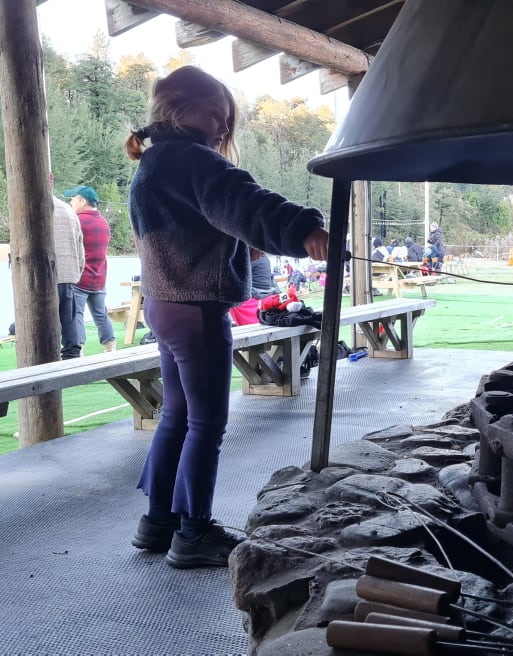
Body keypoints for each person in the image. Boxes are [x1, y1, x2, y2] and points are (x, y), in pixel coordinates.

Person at [124, 65, 329, 569]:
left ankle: (158, 521)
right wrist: (305, 230)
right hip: (195, 308)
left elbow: (205, 223)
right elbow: (245, 202)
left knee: (177, 416)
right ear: (180, 109)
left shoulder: (154, 162)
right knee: (207, 423)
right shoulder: (193, 159)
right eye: (215, 115)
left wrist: (241, 246)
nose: (222, 127)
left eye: (226, 119)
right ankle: (193, 533)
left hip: (164, 305)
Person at [63, 185, 117, 353]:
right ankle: (110, 349)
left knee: (76, 315)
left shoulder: (76, 221)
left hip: (80, 278)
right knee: (100, 314)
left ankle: (78, 351)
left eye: (73, 199)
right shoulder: (104, 222)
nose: (71, 202)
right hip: (99, 278)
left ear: (83, 201)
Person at [53, 194, 86, 360]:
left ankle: (45, 358)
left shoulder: (31, 205)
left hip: (40, 276)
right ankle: (72, 354)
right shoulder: (68, 210)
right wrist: (77, 271)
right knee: (68, 318)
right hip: (67, 272)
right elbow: (80, 246)